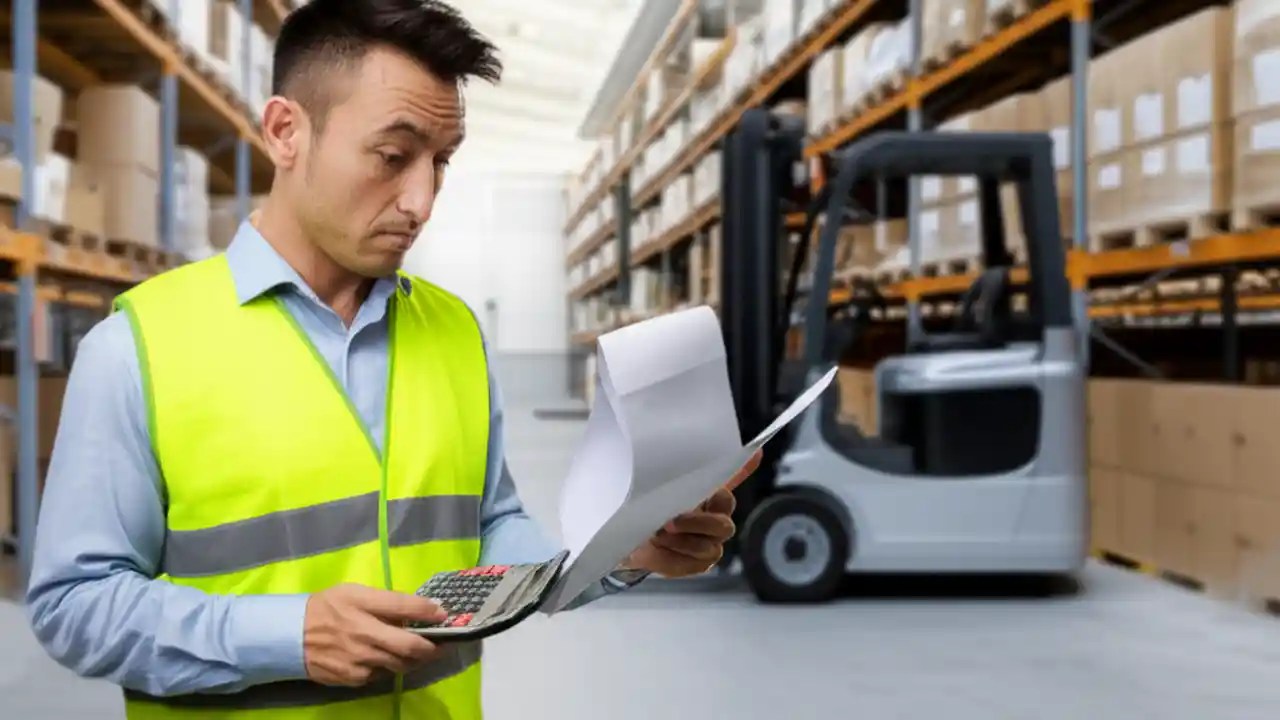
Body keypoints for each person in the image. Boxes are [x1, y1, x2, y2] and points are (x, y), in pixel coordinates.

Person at [23, 1, 761, 718]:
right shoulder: (141, 347)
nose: (421, 199)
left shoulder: (452, 331)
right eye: (392, 155)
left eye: (441, 162)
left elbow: (493, 530)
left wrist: (625, 550)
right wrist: (288, 637)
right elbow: (73, 604)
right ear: (286, 132)